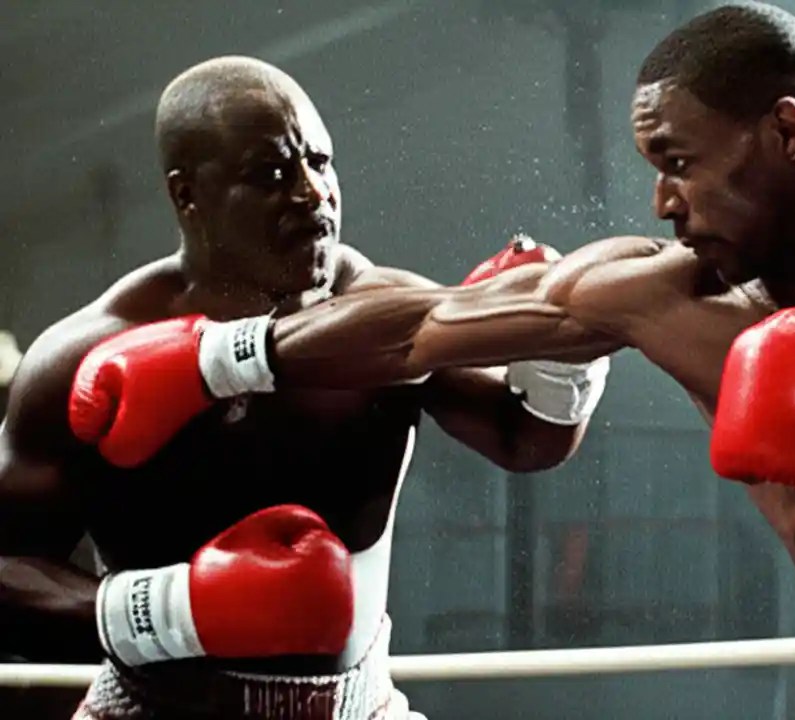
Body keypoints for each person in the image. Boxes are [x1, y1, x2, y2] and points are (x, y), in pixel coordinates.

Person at [73, 4, 795, 717]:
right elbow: (416, 330)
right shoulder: (663, 289)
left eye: (680, 162)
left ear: (783, 133)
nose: (661, 199)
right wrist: (222, 358)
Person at [0, 56, 609, 720]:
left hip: (361, 707)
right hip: (155, 707)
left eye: (320, 163)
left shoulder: (387, 313)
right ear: (187, 195)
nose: (313, 194)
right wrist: (174, 611)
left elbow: (529, 439)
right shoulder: (88, 353)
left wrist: (561, 357)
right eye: (271, 173)